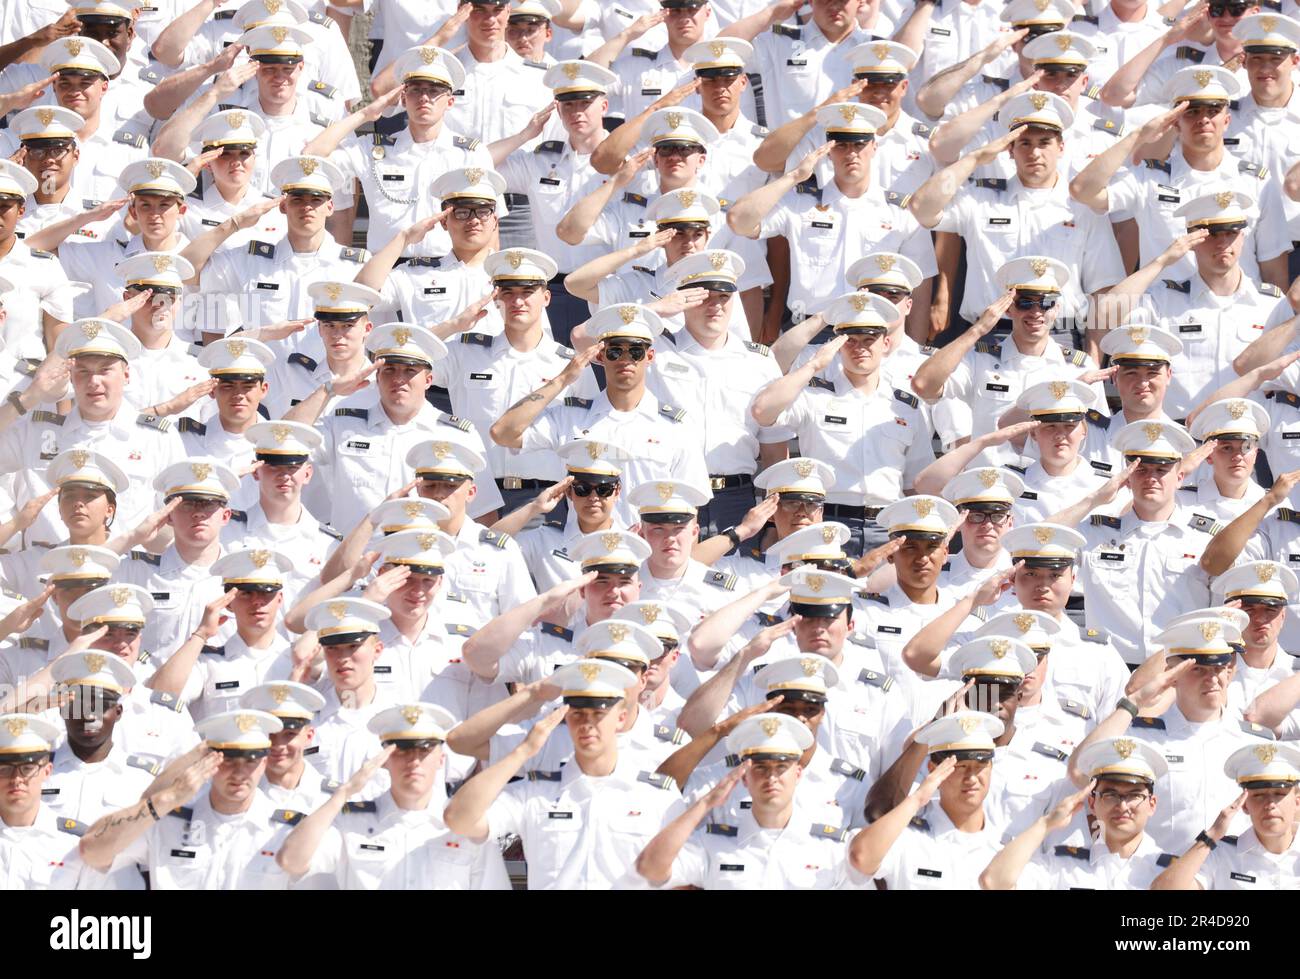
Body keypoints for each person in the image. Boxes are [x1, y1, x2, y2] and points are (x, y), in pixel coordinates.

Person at [442, 658, 685, 889]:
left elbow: (680, 877)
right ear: (566, 718)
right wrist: (522, 752)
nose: (586, 724)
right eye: (577, 714)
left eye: (598, 714)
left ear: (621, 718)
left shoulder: (657, 796)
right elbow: (459, 819)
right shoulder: (535, 793)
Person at [910, 92, 1126, 350]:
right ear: (1009, 150)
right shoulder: (981, 199)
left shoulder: (1082, 209)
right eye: (1024, 143)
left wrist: (1092, 359)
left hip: (1061, 340)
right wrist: (976, 158)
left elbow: (1104, 291)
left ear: (1061, 147)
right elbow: (921, 208)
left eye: (1044, 142)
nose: (1034, 152)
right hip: (989, 339)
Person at [491, 302, 711, 527]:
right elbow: (503, 432)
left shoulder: (675, 427)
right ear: (600, 356)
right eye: (615, 351)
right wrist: (562, 379)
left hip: (647, 555)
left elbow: (689, 511)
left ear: (650, 356)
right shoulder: (572, 418)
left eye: (635, 351)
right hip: (583, 554)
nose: (625, 360)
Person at [1070, 66, 1289, 291]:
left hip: (1239, 315)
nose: (1203, 119)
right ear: (1175, 122)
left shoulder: (1257, 182)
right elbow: (1082, 190)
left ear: (1227, 120)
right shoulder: (1149, 178)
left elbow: (1272, 266)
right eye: (1192, 111)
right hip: (1166, 317)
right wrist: (1138, 136)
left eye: (1212, 110)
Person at [1067, 618, 1276, 853]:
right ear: (1172, 675)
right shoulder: (1140, 740)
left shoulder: (1257, 743)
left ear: (1230, 671)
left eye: (1218, 668)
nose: (1212, 678)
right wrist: (1134, 702)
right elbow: (1078, 770)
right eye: (1198, 669)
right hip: (1157, 878)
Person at [750, 291, 933, 556]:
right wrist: (813, 365)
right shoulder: (814, 396)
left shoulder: (907, 407)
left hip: (888, 527)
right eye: (851, 340)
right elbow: (762, 410)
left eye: (869, 339)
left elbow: (914, 482)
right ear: (838, 345)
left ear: (886, 343)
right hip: (827, 524)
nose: (860, 348)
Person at [726, 104, 936, 326]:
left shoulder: (900, 212)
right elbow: (738, 221)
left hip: (872, 335)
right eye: (841, 145)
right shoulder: (799, 204)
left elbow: (921, 287)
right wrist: (793, 177)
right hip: (809, 333)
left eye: (859, 144)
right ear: (829, 151)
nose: (851, 153)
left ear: (874, 147)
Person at [429, 247, 600, 515]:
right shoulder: (465, 353)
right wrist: (454, 324)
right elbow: (406, 355)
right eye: (508, 293)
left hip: (546, 501)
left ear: (546, 297)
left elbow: (589, 436)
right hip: (476, 499)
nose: (517, 301)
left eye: (526, 292)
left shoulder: (568, 364)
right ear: (496, 299)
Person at [290, 322, 506, 532]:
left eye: (410, 371)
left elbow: (483, 513)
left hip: (424, 562)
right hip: (355, 561)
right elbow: (284, 439)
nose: (399, 379)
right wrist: (327, 390)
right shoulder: (342, 426)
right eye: (390, 370)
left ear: (429, 379)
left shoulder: (457, 435)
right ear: (377, 376)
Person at [276, 703, 510, 888]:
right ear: (385, 759)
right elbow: (291, 861)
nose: (414, 761)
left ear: (441, 759)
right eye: (403, 751)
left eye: (425, 750)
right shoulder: (351, 823)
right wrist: (343, 794)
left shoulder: (467, 827)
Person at [0, 318, 186, 552]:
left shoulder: (157, 437)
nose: (94, 382)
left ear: (126, 375)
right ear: (71, 377)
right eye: (84, 372)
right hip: (48, 574)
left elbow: (173, 517)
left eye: (105, 370)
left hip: (121, 577)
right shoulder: (38, 433)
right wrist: (29, 397)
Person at [909, 256, 1106, 468]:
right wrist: (977, 330)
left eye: (1046, 303)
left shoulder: (1079, 366)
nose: (1036, 312)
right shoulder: (980, 360)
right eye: (1025, 303)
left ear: (1057, 308)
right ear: (1009, 308)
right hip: (990, 489)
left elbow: (1098, 439)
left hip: (1049, 491)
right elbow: (923, 385)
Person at [1051, 420, 1217, 667]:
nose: (1151, 478)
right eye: (1141, 470)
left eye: (1161, 470)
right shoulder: (1095, 534)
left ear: (1180, 477)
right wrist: (1095, 499)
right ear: (1127, 478)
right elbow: (1040, 539)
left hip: (1181, 668)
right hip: (1109, 668)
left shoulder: (1205, 538)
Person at [78, 709, 305, 889]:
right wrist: (168, 798)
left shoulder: (284, 831)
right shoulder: (168, 821)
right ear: (208, 760)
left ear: (264, 763)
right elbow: (93, 851)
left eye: (250, 761)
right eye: (229, 761)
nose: (239, 773)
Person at [635, 712, 862, 889]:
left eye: (781, 768)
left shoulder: (830, 848)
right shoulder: (713, 843)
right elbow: (649, 868)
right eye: (761, 768)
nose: (771, 778)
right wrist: (704, 804)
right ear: (744, 777)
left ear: (798, 774)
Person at [304, 46, 490, 258]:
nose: (424, 98)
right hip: (386, 268)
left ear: (450, 101)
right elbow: (311, 157)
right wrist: (366, 113)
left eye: (434, 91)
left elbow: (491, 225)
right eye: (416, 89)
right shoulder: (372, 149)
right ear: (403, 98)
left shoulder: (471, 155)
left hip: (448, 270)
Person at [650, 248, 788, 534]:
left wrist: (774, 524)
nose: (716, 306)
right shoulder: (656, 351)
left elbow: (774, 448)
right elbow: (584, 337)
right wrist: (656, 311)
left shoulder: (759, 361)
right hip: (672, 497)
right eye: (704, 297)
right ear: (684, 300)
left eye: (724, 296)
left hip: (736, 501)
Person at [980, 736, 1174, 889]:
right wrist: (1046, 824)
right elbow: (993, 882)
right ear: (1092, 802)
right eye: (1110, 794)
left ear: (1152, 804)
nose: (1122, 806)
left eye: (1133, 796)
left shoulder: (1169, 873)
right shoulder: (1063, 866)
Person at [847, 711, 1006, 889]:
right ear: (933, 769)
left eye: (980, 766)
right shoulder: (908, 836)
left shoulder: (1003, 847)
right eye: (960, 767)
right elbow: (861, 857)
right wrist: (916, 799)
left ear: (991, 767)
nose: (971, 778)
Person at [145, 548, 296, 721]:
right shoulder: (208, 662)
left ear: (280, 599)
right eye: (246, 593)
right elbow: (157, 698)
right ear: (229, 603)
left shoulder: (298, 660)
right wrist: (201, 634)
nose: (257, 601)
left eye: (267, 592)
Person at [118, 458, 241, 659]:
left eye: (209, 505)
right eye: (188, 505)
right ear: (169, 516)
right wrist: (132, 538)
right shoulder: (137, 572)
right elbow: (78, 574)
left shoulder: (244, 576)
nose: (198, 513)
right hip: (151, 687)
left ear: (226, 516)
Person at [220, 420, 341, 607]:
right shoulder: (227, 533)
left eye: (292, 468)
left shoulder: (328, 545)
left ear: (308, 474)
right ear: (255, 471)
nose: (283, 476)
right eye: (273, 467)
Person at [1152, 741, 1300, 888]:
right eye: (1259, 795)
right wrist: (1210, 837)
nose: (1270, 804)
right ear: (1245, 804)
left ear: (1297, 801)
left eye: (1279, 794)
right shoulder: (1222, 854)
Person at [512, 438, 633, 593]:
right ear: (569, 491)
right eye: (583, 489)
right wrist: (534, 508)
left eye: (604, 489)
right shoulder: (544, 541)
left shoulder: (631, 544)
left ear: (617, 492)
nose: (593, 497)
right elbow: (487, 547)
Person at [0, 713, 88, 890]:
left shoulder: (73, 844)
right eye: (5, 769)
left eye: (27, 768)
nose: (17, 779)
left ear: (47, 772)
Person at [1010, 380, 1110, 525]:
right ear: (1033, 433)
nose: (1059, 435)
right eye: (1050, 426)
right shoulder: (1013, 484)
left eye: (1069, 426)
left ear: (1084, 431)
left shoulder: (1106, 486)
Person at [238, 680, 332, 813]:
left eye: (290, 734)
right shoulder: (237, 797)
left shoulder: (331, 799)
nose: (278, 745)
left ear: (309, 736)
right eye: (270, 734)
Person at [1184, 398, 1269, 521]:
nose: (1238, 456)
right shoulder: (1183, 503)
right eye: (1227, 448)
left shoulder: (1274, 506)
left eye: (1246, 447)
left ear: (1255, 454)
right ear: (1208, 455)